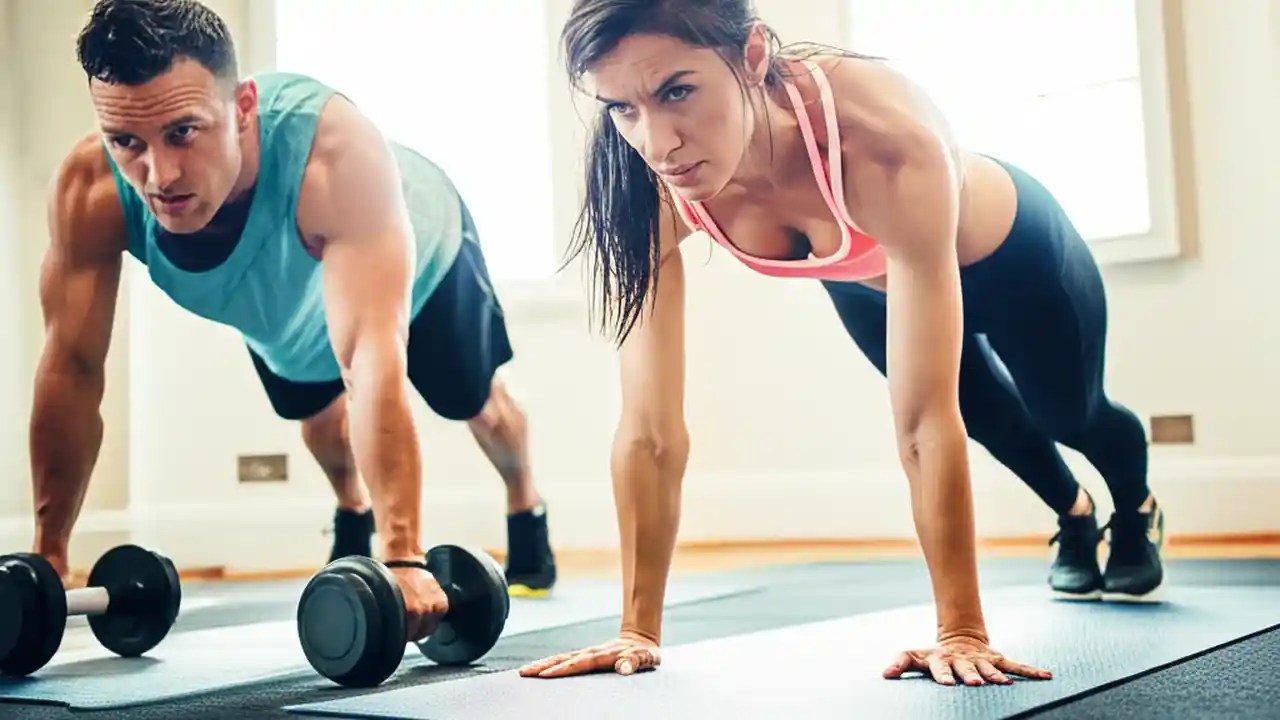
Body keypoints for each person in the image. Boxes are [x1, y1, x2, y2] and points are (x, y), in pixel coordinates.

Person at [519, 0, 1164, 686]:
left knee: (1068, 414)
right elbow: (649, 430)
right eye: (622, 108)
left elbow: (921, 426)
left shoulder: (881, 140)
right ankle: (1074, 513)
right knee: (988, 420)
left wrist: (961, 634)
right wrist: (636, 631)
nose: (657, 141)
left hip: (1013, 260)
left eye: (678, 91)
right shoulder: (645, 181)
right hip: (868, 282)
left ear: (754, 56)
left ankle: (1135, 509)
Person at [29, 0, 558, 636]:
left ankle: (525, 504)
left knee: (473, 402)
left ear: (243, 108)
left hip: (421, 257)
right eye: (128, 143)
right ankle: (349, 511)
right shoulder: (90, 190)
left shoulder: (333, 154)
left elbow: (370, 356)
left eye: (184, 133)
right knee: (321, 427)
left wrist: (403, 556)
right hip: (280, 300)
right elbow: (73, 367)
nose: (159, 175)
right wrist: (48, 558)